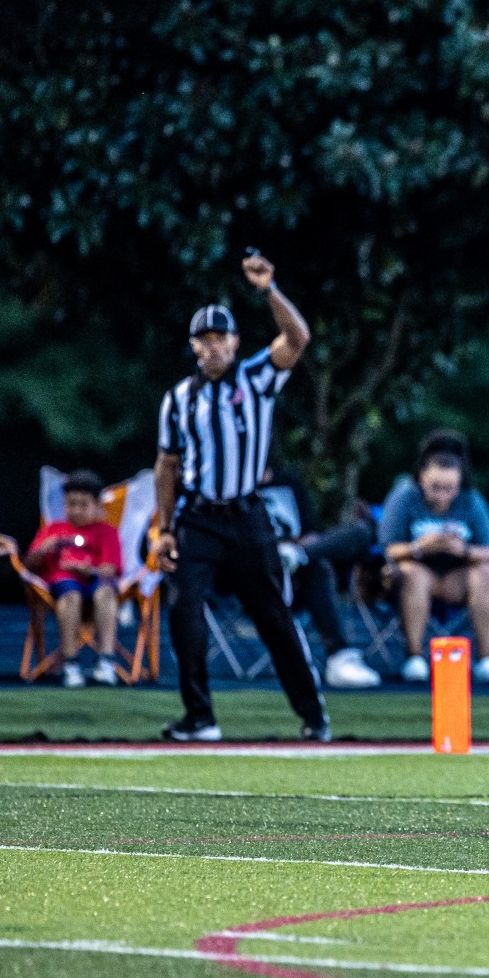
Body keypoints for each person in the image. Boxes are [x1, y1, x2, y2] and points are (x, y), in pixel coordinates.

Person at [153, 253, 331, 742]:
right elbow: (166, 466)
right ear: (194, 345)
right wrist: (164, 529)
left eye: (221, 338)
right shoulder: (179, 399)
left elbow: (297, 339)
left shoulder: (255, 378)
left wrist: (269, 290)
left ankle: (313, 715)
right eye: (205, 340)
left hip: (247, 513)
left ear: (235, 342)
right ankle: (199, 716)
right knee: (184, 609)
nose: (213, 347)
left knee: (272, 614)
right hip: (198, 516)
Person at [379, 435, 489, 685]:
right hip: (414, 580)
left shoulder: (472, 501)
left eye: (449, 489)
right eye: (435, 487)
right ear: (422, 479)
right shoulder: (405, 496)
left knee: (486, 572)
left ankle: (486, 660)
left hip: (458, 581)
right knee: (411, 571)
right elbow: (389, 549)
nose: (442, 495)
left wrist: (462, 550)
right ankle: (414, 657)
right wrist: (420, 546)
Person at [257, 464, 382, 689]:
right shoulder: (230, 488)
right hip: (256, 576)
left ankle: (296, 555)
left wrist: (301, 548)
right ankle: (338, 654)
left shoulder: (289, 482)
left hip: (297, 574)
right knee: (317, 567)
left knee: (356, 535)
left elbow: (310, 532)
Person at [24, 469, 123, 688]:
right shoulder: (52, 531)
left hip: (95, 582)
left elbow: (111, 569)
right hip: (62, 585)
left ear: (97, 506)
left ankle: (106, 661)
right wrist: (43, 550)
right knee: (70, 596)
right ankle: (71, 664)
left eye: (83, 505)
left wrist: (90, 570)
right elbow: (28, 566)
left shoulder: (107, 532)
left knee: (106, 592)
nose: (76, 510)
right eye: (71, 504)